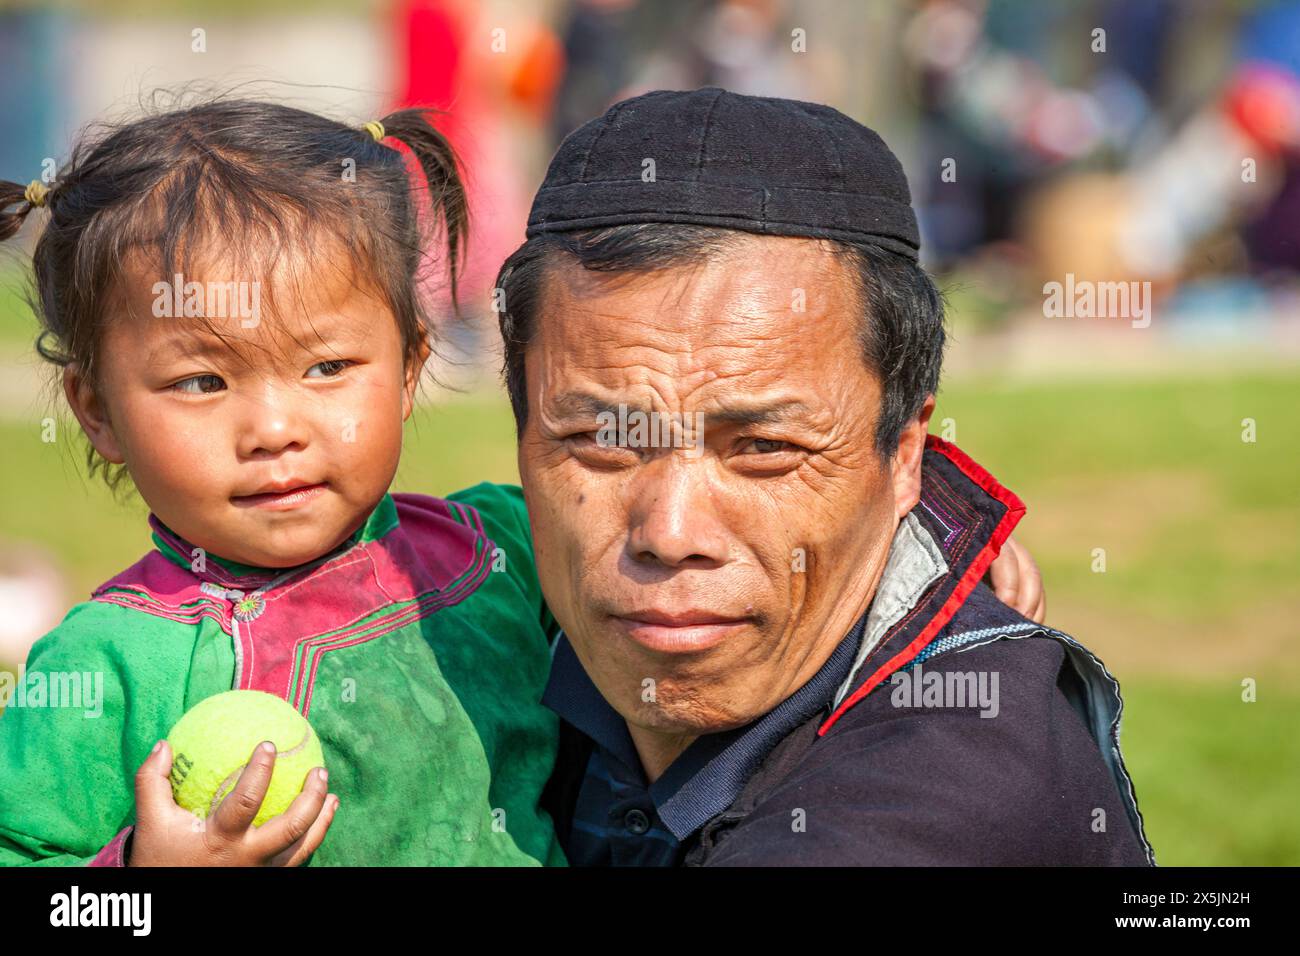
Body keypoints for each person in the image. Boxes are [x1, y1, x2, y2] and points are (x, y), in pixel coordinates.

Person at [496, 88, 1155, 865]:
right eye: (602, 440)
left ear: (905, 457)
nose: (670, 533)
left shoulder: (958, 776)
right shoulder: (479, 622)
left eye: (765, 447)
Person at [0, 101, 562, 866]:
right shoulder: (105, 668)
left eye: (327, 368)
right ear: (97, 411)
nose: (273, 429)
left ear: (408, 368)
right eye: (201, 381)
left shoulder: (505, 549)